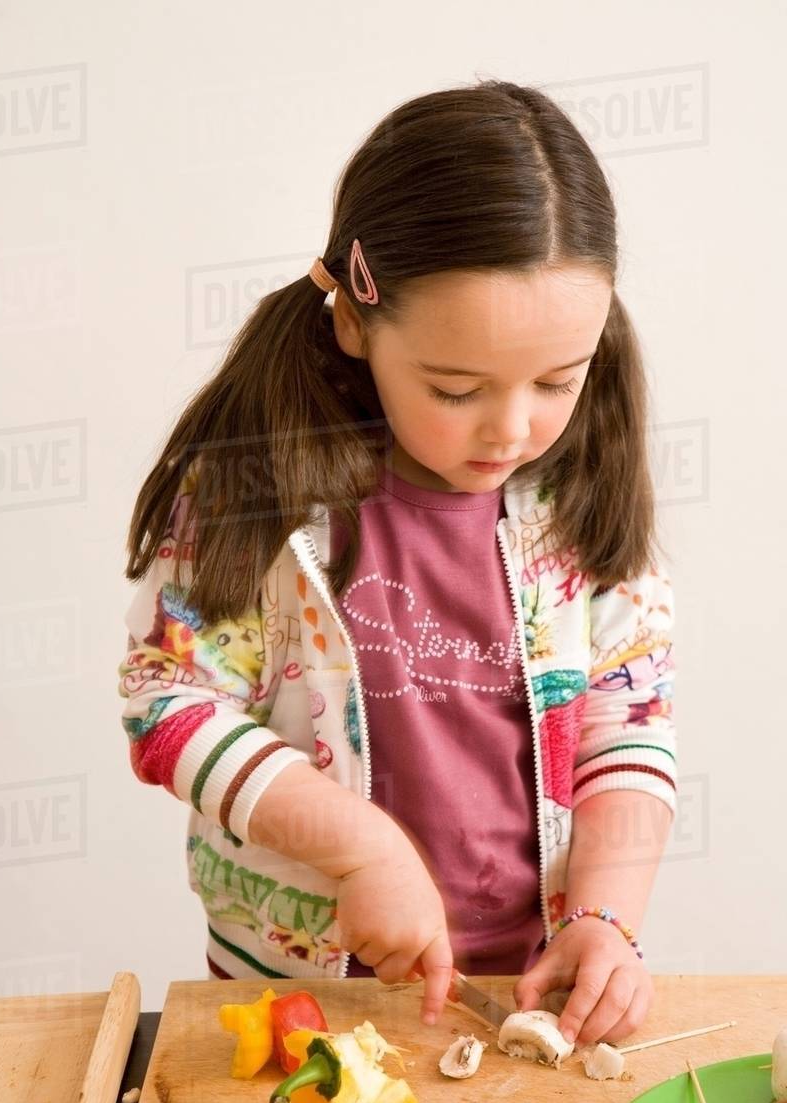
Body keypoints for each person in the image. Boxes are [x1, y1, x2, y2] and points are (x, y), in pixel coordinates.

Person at [117, 78, 677, 1048]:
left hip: (530, 983)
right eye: (454, 387)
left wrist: (601, 918)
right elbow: (170, 701)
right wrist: (360, 851)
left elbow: (624, 721)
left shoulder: (579, 493)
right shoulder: (258, 497)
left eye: (557, 379)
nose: (511, 427)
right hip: (305, 987)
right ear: (351, 319)